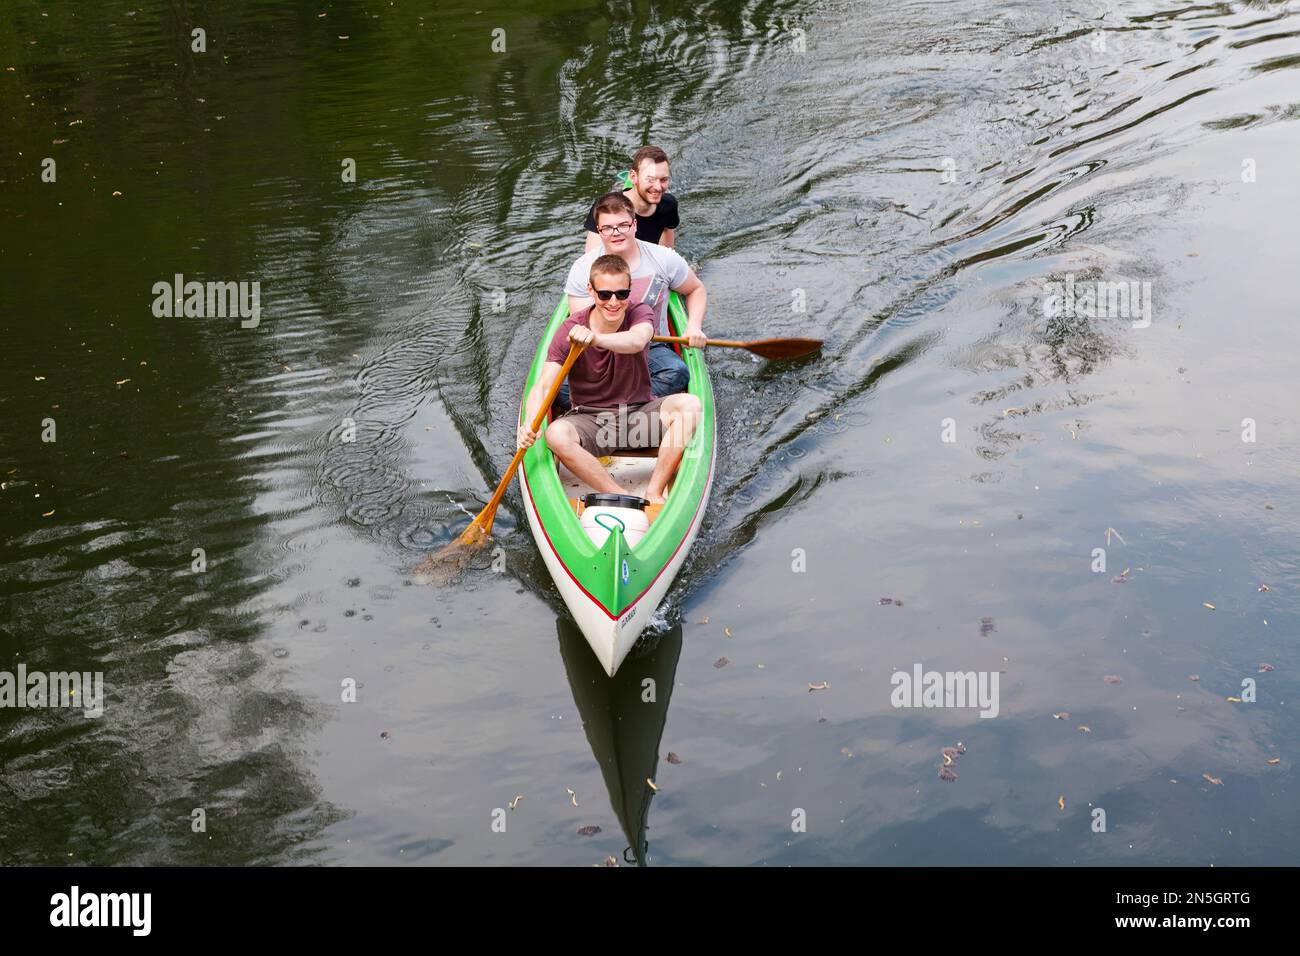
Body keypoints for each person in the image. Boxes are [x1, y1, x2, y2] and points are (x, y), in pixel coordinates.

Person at [519, 255, 701, 506]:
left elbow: (637, 340)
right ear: (591, 291)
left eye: (621, 293)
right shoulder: (570, 329)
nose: (614, 302)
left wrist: (595, 339)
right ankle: (622, 496)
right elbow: (543, 386)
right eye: (605, 295)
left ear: (630, 291)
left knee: (690, 405)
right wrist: (529, 425)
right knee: (555, 434)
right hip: (593, 422)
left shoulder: (640, 312)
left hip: (639, 417)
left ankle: (654, 492)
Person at [557, 192, 707, 410]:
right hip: (600, 346)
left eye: (623, 225)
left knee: (677, 372)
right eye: (607, 228)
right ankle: (633, 406)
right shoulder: (583, 268)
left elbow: (695, 289)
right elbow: (583, 322)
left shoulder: (663, 258)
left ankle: (614, 406)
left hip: (651, 345)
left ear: (635, 224)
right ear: (599, 231)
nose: (616, 233)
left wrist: (693, 326)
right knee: (559, 387)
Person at [582, 145, 679, 252]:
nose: (658, 187)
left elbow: (668, 252)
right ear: (633, 177)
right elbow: (591, 260)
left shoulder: (669, 206)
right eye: (650, 179)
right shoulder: (606, 208)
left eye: (664, 179)